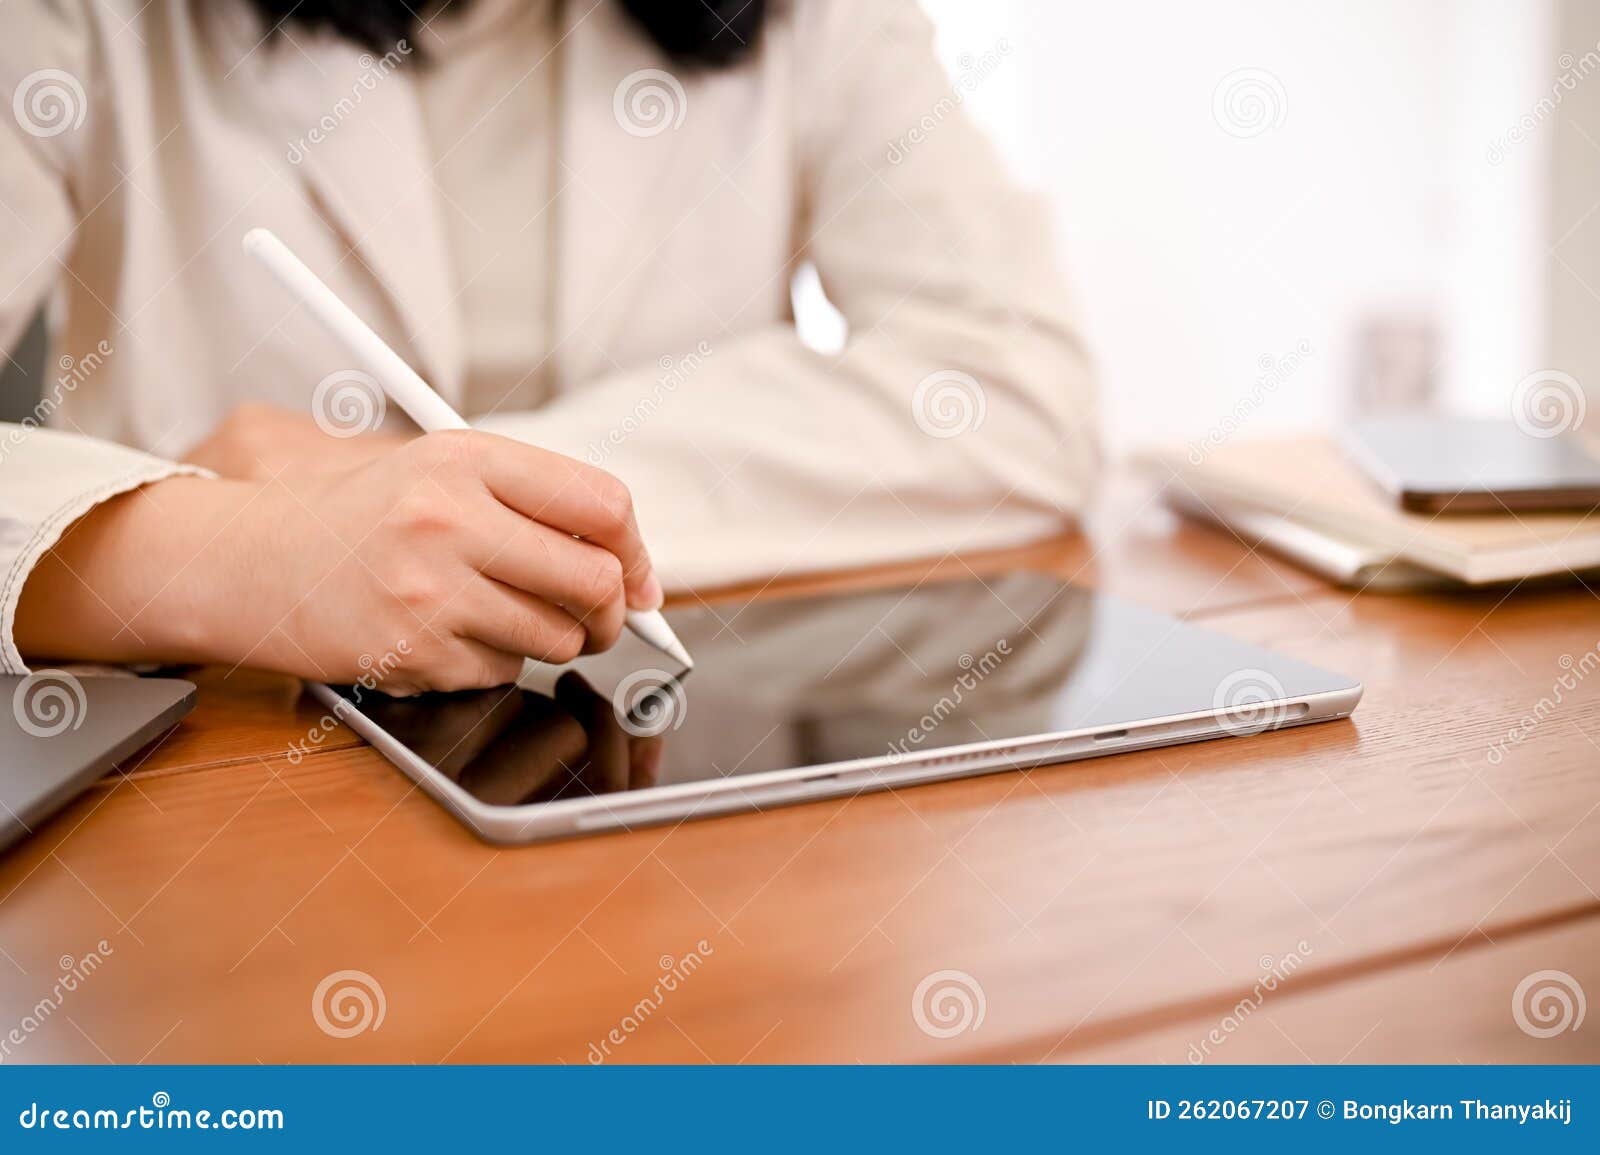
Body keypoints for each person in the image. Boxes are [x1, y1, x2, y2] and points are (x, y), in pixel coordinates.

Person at [0, 0, 1096, 694]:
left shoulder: (823, 22)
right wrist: (232, 551)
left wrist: (432, 496)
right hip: (217, 783)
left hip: (629, 761)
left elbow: (1013, 390)